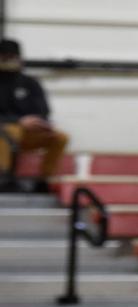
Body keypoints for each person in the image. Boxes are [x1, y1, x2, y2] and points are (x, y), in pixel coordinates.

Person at [0, 39, 70, 194]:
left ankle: (43, 180)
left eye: (12, 56)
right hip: (5, 132)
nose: (9, 60)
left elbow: (43, 110)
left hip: (29, 133)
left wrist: (40, 122)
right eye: (5, 56)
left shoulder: (30, 83)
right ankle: (3, 177)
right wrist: (19, 121)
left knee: (60, 137)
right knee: (8, 131)